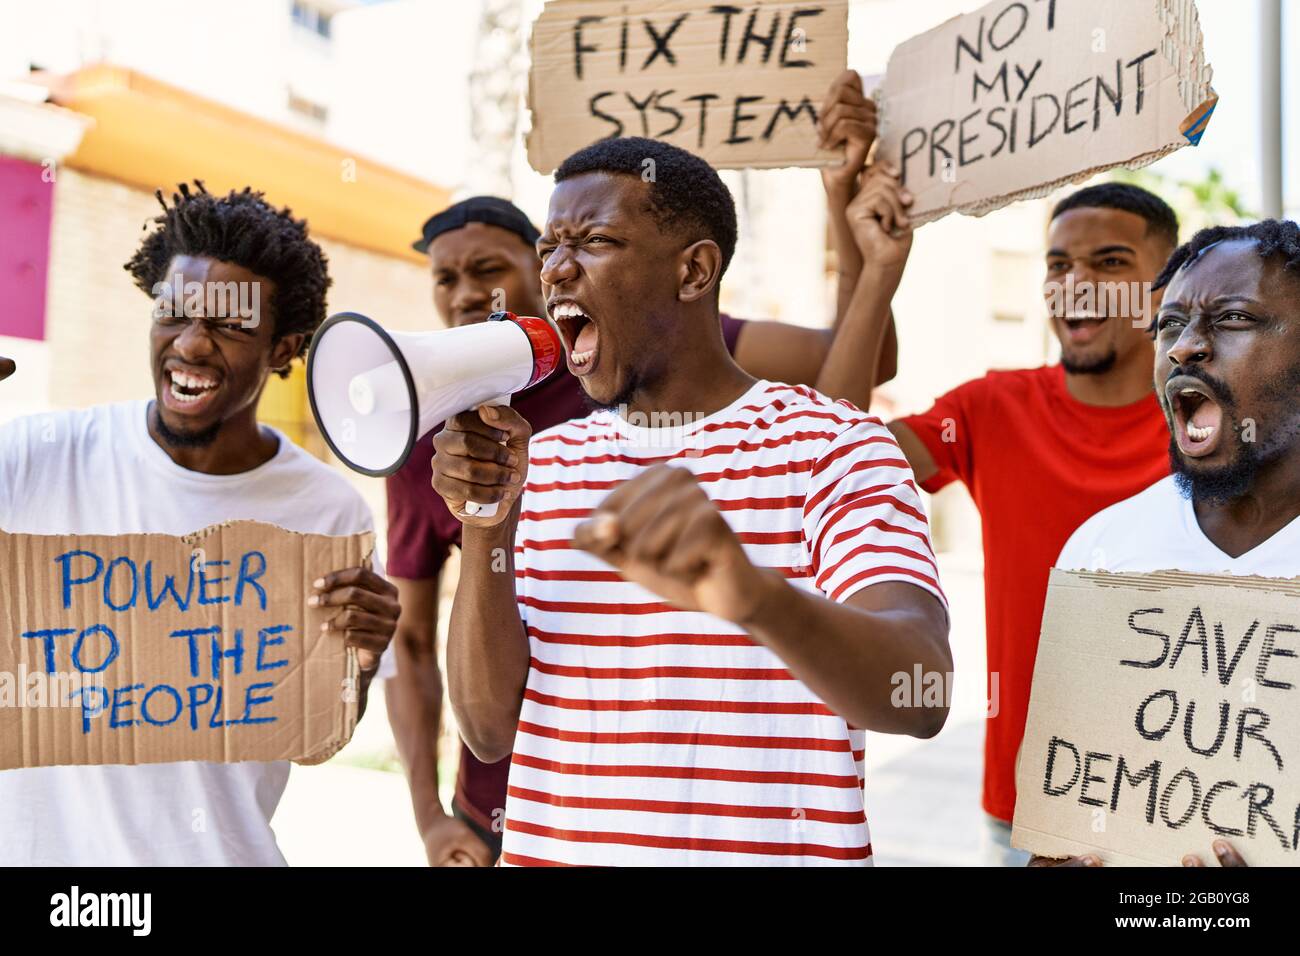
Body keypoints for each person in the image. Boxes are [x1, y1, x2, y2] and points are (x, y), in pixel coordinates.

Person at [385, 71, 906, 865]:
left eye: (592, 242)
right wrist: (488, 524)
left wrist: (755, 597)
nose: (556, 270)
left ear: (694, 272)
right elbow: (489, 732)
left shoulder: (840, 446)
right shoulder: (541, 464)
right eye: (548, 248)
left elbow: (916, 690)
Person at [0, 183, 400, 865]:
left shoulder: (327, 510)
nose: (191, 344)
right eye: (175, 313)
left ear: (283, 350)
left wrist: (360, 662)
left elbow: (310, 743)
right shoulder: (31, 461)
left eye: (230, 326)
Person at [841, 173, 1180, 864]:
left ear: (1165, 291)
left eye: (1110, 262)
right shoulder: (990, 409)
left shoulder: (1216, 426)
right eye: (1058, 265)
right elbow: (832, 457)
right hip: (1026, 815)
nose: (1076, 283)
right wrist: (875, 270)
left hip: (1182, 812)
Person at [1033, 218, 1300, 868]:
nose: (1185, 348)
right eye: (1170, 324)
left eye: (1233, 319)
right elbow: (1059, 817)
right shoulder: (1102, 552)